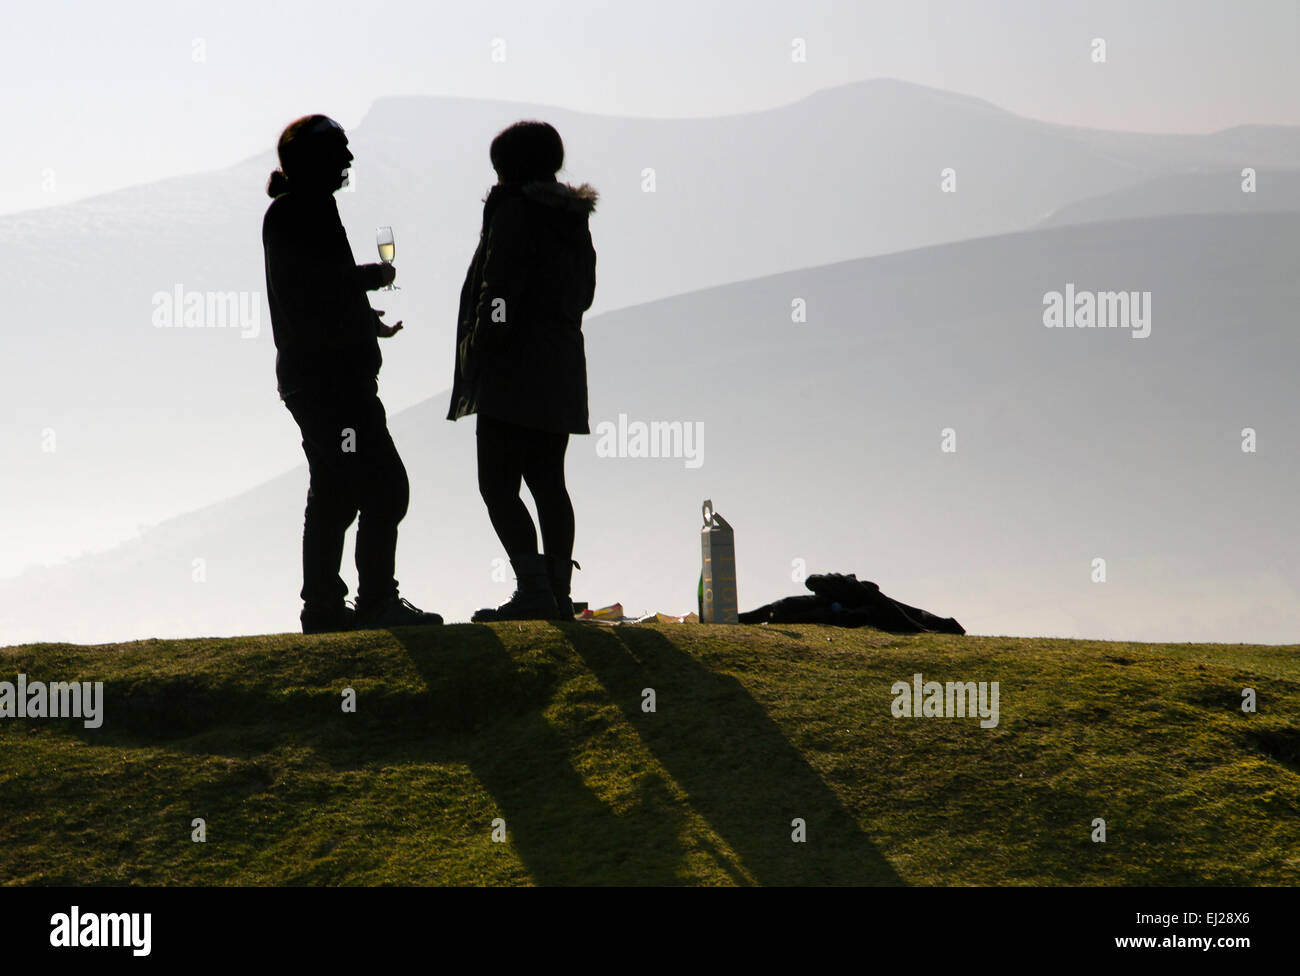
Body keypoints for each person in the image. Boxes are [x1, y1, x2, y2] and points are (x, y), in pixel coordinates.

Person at [263, 114, 442, 634]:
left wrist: (365, 320)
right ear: (313, 160)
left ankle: (326, 606)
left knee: (338, 489)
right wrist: (371, 278)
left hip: (323, 378)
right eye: (340, 150)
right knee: (385, 487)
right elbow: (319, 283)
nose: (348, 160)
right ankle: (372, 601)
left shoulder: (305, 209)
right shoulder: (297, 213)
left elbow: (315, 292)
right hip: (330, 382)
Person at [447, 120, 598, 621]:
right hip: (560, 366)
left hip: (512, 368)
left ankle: (533, 591)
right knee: (549, 482)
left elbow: (499, 292)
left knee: (497, 484)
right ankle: (555, 592)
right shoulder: (572, 217)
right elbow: (585, 294)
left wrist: (481, 345)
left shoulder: (512, 210)